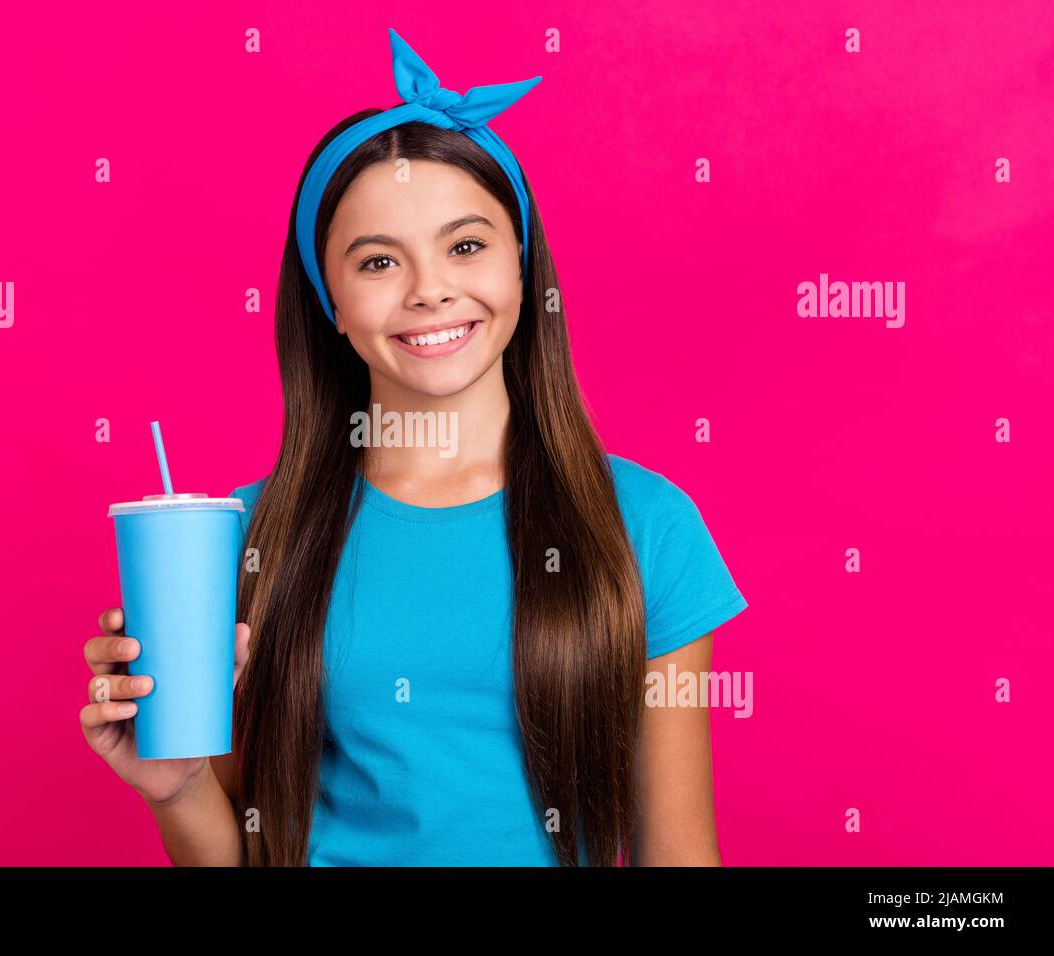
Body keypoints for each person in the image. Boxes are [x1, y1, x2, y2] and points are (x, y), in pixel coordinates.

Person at [81, 28, 747, 866]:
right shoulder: (244, 536)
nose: (430, 290)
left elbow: (677, 854)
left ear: (521, 265)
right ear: (330, 302)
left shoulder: (646, 525)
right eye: (377, 263)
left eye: (465, 246)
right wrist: (179, 789)